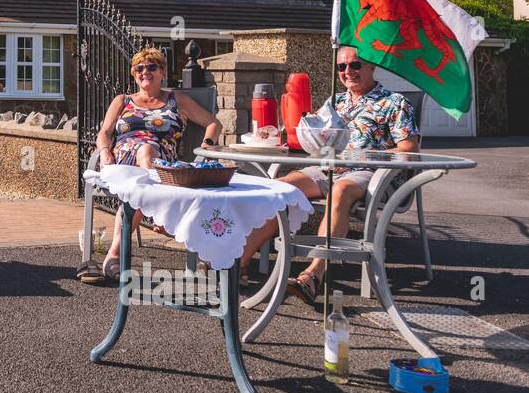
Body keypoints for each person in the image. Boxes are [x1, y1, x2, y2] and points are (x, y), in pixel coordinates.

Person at [238, 45, 417, 301]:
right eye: (341, 67)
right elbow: (319, 140)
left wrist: (359, 157)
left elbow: (409, 151)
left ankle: (312, 275)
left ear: (371, 66)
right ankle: (242, 260)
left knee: (340, 191)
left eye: (355, 65)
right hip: (328, 168)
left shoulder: (394, 102)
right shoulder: (336, 101)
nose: (347, 72)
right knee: (281, 187)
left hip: (371, 173)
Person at [84, 47, 223, 284]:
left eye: (151, 67)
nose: (144, 72)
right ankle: (158, 213)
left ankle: (113, 255)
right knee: (143, 158)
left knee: (146, 161)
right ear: (133, 74)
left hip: (162, 163)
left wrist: (208, 144)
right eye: (139, 68)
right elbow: (104, 133)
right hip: (123, 161)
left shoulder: (175, 100)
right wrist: (105, 151)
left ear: (162, 72)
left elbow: (213, 123)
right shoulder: (122, 101)